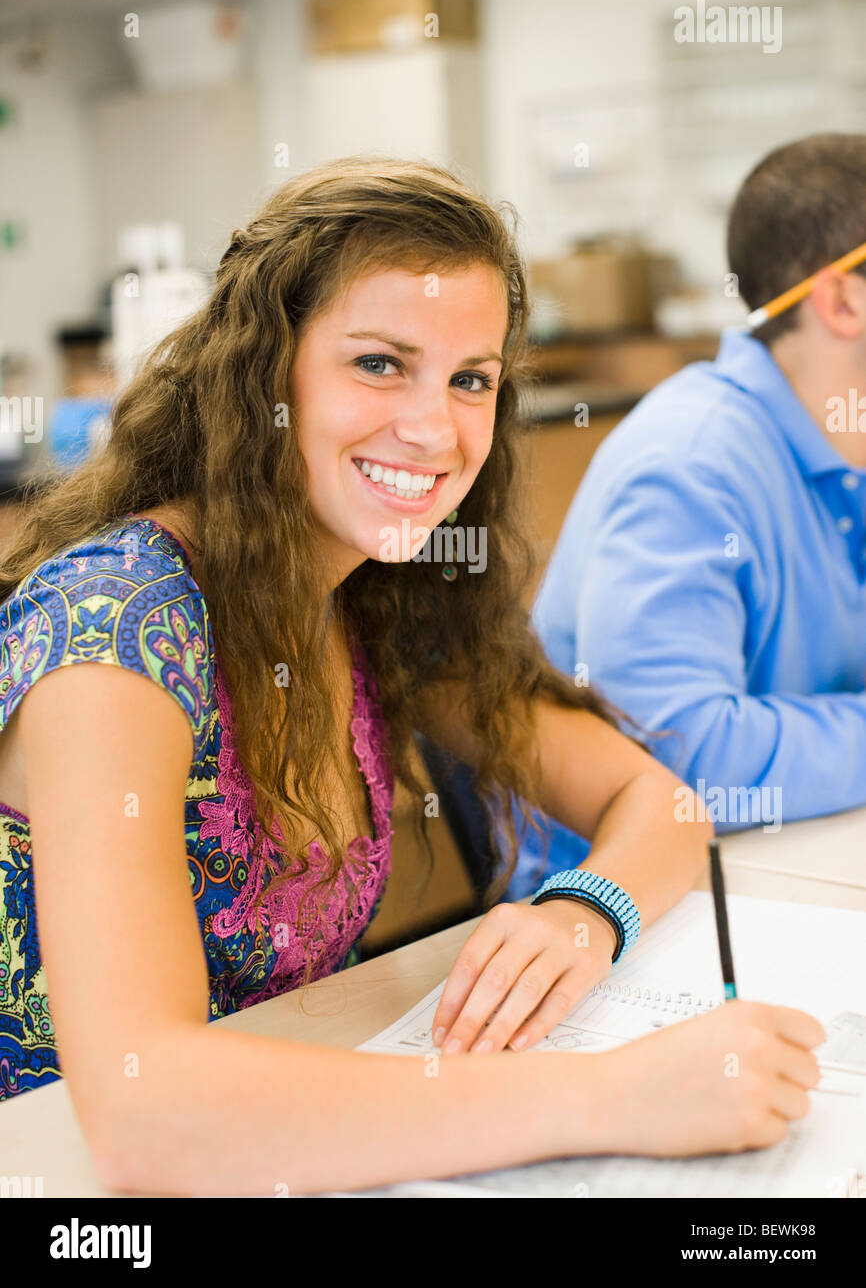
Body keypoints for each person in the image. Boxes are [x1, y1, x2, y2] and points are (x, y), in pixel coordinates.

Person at [0, 157, 822, 1195]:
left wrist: (584, 912)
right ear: (265, 374)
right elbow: (140, 1110)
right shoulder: (113, 632)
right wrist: (616, 1096)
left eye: (470, 378)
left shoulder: (377, 595)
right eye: (381, 363)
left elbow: (653, 798)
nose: (436, 428)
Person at [533, 133, 866, 838]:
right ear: (842, 300)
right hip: (638, 918)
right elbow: (685, 762)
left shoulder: (846, 445)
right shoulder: (690, 467)